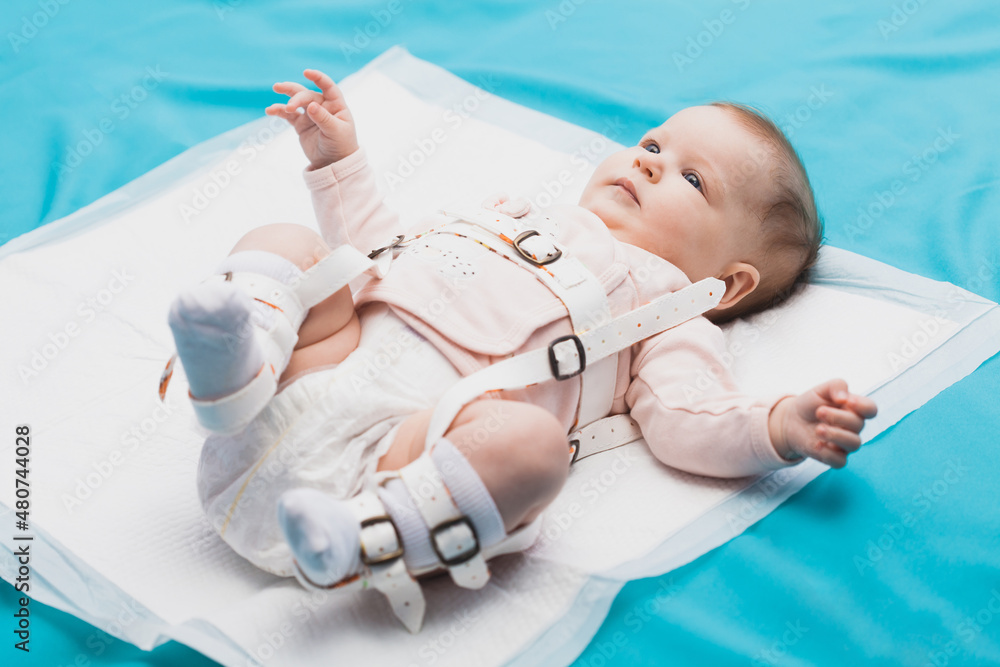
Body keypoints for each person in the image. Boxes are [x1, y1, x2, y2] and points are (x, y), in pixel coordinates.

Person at [167, 68, 876, 629]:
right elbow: (378, 247)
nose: (650, 163)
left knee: (532, 447)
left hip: (406, 444)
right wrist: (338, 161)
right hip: (322, 365)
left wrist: (777, 425)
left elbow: (689, 417)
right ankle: (237, 371)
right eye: (653, 144)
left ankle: (364, 535)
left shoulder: (665, 311)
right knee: (295, 248)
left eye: (693, 179)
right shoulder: (512, 215)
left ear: (724, 285)